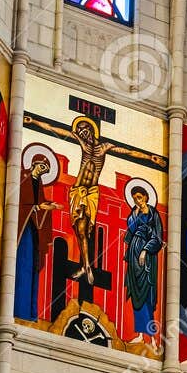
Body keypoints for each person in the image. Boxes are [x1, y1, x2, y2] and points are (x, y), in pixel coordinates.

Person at [14, 153, 58, 322]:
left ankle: (29, 313)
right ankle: (18, 308)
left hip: (32, 230)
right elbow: (18, 201)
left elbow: (38, 205)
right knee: (22, 265)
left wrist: (46, 207)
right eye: (41, 167)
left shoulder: (38, 184)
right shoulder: (22, 177)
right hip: (22, 229)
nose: (42, 171)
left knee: (32, 267)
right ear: (34, 164)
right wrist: (38, 206)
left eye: (45, 170)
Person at [67, 117, 112, 282]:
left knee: (86, 231)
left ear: (91, 129)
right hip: (78, 191)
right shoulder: (82, 143)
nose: (82, 133)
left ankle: (86, 266)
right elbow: (56, 129)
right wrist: (33, 122)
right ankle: (85, 266)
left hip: (92, 193)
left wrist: (151, 158)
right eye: (79, 131)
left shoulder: (104, 147)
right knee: (80, 231)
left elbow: (127, 151)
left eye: (84, 129)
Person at [123, 186, 164, 344]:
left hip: (147, 258)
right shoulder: (135, 213)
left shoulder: (153, 215)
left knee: (147, 293)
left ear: (146, 197)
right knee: (135, 293)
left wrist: (145, 251)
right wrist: (134, 214)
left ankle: (153, 338)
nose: (137, 201)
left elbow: (158, 238)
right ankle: (140, 335)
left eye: (139, 197)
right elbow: (131, 231)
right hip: (134, 253)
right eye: (135, 199)